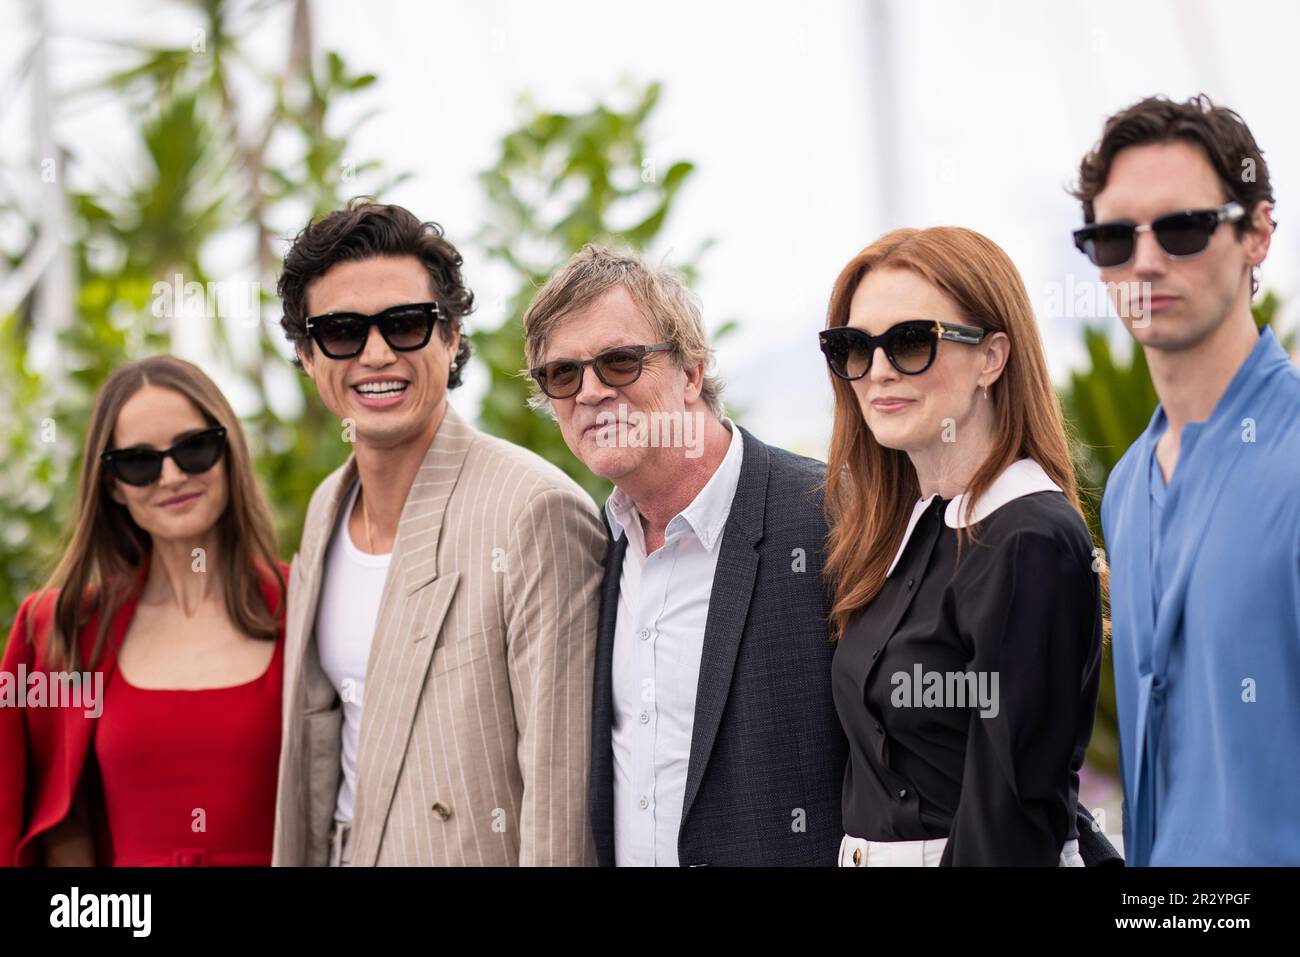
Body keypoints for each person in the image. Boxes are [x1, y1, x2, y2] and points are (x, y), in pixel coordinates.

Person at [273, 201, 604, 867]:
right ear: (308, 355)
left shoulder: (531, 510)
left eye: (405, 323)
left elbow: (559, 804)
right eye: (340, 331)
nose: (375, 353)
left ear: (451, 337)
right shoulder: (325, 509)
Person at [523, 244, 846, 866]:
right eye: (563, 374)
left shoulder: (828, 514)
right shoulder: (598, 545)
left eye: (619, 362)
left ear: (692, 372)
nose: (590, 392)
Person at [819, 226, 1112, 866]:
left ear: (992, 357)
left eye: (911, 342)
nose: (878, 371)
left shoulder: (1030, 537)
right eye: (853, 348)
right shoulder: (900, 531)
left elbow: (1013, 818)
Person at [1073, 94, 1299, 866]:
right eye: (1112, 237)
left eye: (1183, 227)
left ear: (1257, 232)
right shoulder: (1133, 485)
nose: (1144, 261)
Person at [0, 356, 287, 866]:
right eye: (139, 461)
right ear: (112, 485)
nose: (172, 476)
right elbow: (58, 824)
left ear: (229, 452)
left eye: (194, 448)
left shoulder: (310, 603)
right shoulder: (62, 629)